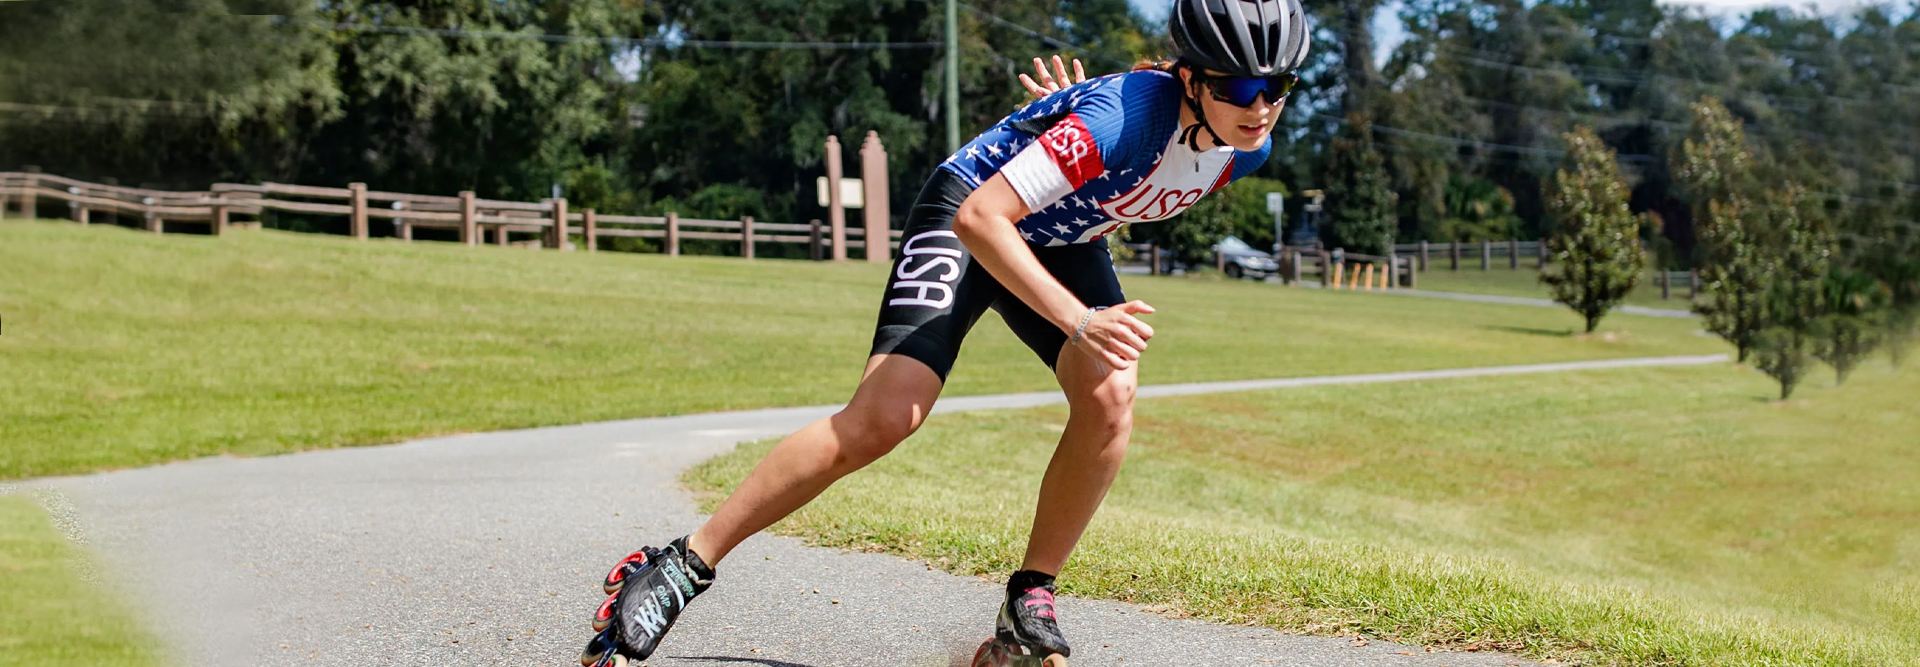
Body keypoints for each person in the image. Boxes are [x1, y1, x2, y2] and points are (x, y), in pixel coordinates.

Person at [581, 0, 1311, 664]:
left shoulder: (1246, 151)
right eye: (1239, 89)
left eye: (1277, 88)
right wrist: (1080, 315)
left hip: (1059, 240)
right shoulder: (1126, 116)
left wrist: (1061, 126)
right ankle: (681, 563)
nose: (1260, 108)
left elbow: (1123, 180)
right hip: (970, 215)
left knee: (1112, 397)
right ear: (1190, 78)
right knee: (884, 417)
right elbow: (981, 219)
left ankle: (1029, 598)